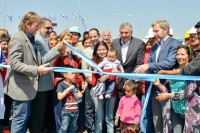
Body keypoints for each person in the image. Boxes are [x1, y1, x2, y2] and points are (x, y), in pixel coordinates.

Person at [3, 11, 55, 133]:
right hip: (20, 88)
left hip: (28, 88)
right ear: (27, 24)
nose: (38, 27)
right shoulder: (18, 38)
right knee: (20, 119)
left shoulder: (31, 39)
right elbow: (14, 64)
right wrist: (37, 70)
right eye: (37, 25)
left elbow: (38, 60)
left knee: (24, 118)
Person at [135, 19, 180, 133]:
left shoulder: (174, 43)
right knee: (156, 119)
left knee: (167, 119)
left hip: (167, 87)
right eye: (153, 31)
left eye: (156, 31)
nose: (154, 34)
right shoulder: (154, 47)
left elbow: (169, 62)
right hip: (154, 86)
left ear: (165, 30)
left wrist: (149, 65)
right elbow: (149, 65)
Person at [29, 17, 63, 133]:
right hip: (41, 85)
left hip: (47, 84)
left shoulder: (44, 39)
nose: (50, 30)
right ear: (40, 27)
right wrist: (56, 49)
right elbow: (42, 60)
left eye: (51, 28)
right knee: (38, 115)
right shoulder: (38, 40)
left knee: (44, 114)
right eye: (47, 28)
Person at [155, 45, 194, 132]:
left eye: (182, 54)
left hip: (191, 113)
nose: (179, 57)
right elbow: (168, 91)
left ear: (189, 56)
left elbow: (189, 92)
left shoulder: (193, 71)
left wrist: (169, 95)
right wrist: (159, 85)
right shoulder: (173, 70)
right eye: (177, 54)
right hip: (176, 111)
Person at [89, 41, 116, 133]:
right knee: (99, 116)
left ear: (107, 50)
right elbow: (97, 71)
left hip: (111, 92)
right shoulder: (93, 61)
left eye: (104, 49)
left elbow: (119, 72)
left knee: (110, 117)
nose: (101, 51)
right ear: (96, 51)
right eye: (99, 49)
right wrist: (111, 72)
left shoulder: (113, 60)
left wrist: (108, 75)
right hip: (98, 91)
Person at [57, 65, 83, 133]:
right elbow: (59, 97)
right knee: (64, 129)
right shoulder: (61, 84)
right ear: (65, 75)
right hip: (66, 111)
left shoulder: (74, 84)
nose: (74, 75)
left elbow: (79, 95)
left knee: (73, 129)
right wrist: (68, 89)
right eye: (72, 73)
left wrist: (80, 95)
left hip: (75, 111)